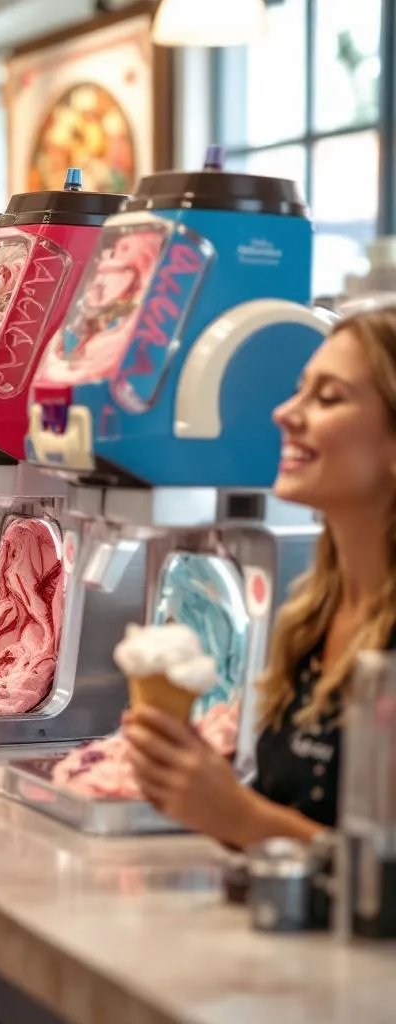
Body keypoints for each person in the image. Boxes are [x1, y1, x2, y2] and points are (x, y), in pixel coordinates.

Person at [125, 308, 396, 846]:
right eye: (299, 391)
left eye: (328, 398)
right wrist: (200, 785)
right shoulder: (312, 615)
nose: (283, 414)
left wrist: (243, 818)